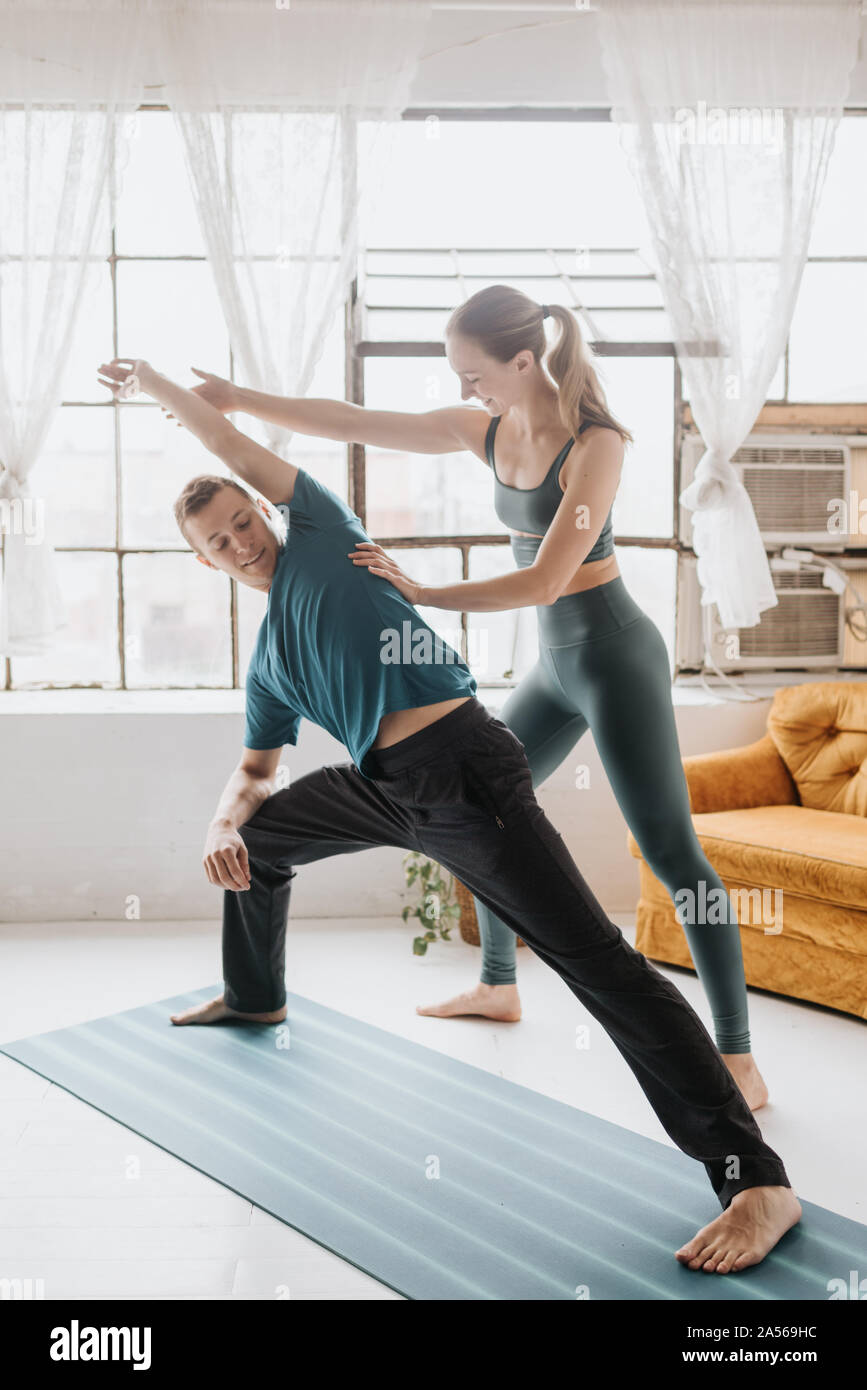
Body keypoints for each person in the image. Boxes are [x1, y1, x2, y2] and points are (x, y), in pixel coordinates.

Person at [95, 353, 799, 1274]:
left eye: (242, 521)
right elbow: (255, 770)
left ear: (265, 511)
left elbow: (228, 441)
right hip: (383, 786)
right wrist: (221, 824)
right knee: (257, 845)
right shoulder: (267, 660)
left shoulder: (321, 532)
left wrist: (156, 383)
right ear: (203, 561)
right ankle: (256, 995)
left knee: (597, 964)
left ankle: (755, 1181)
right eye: (218, 542)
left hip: (461, 770)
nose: (240, 542)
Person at [181, 285, 768, 1113]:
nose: (463, 388)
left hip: (614, 657)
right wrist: (240, 399)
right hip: (553, 664)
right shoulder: (484, 430)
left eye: (472, 373)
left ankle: (736, 1053)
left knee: (672, 853)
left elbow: (546, 579)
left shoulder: (596, 444)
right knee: (489, 818)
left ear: (522, 361)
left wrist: (423, 592)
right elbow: (352, 420)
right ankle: (498, 985)